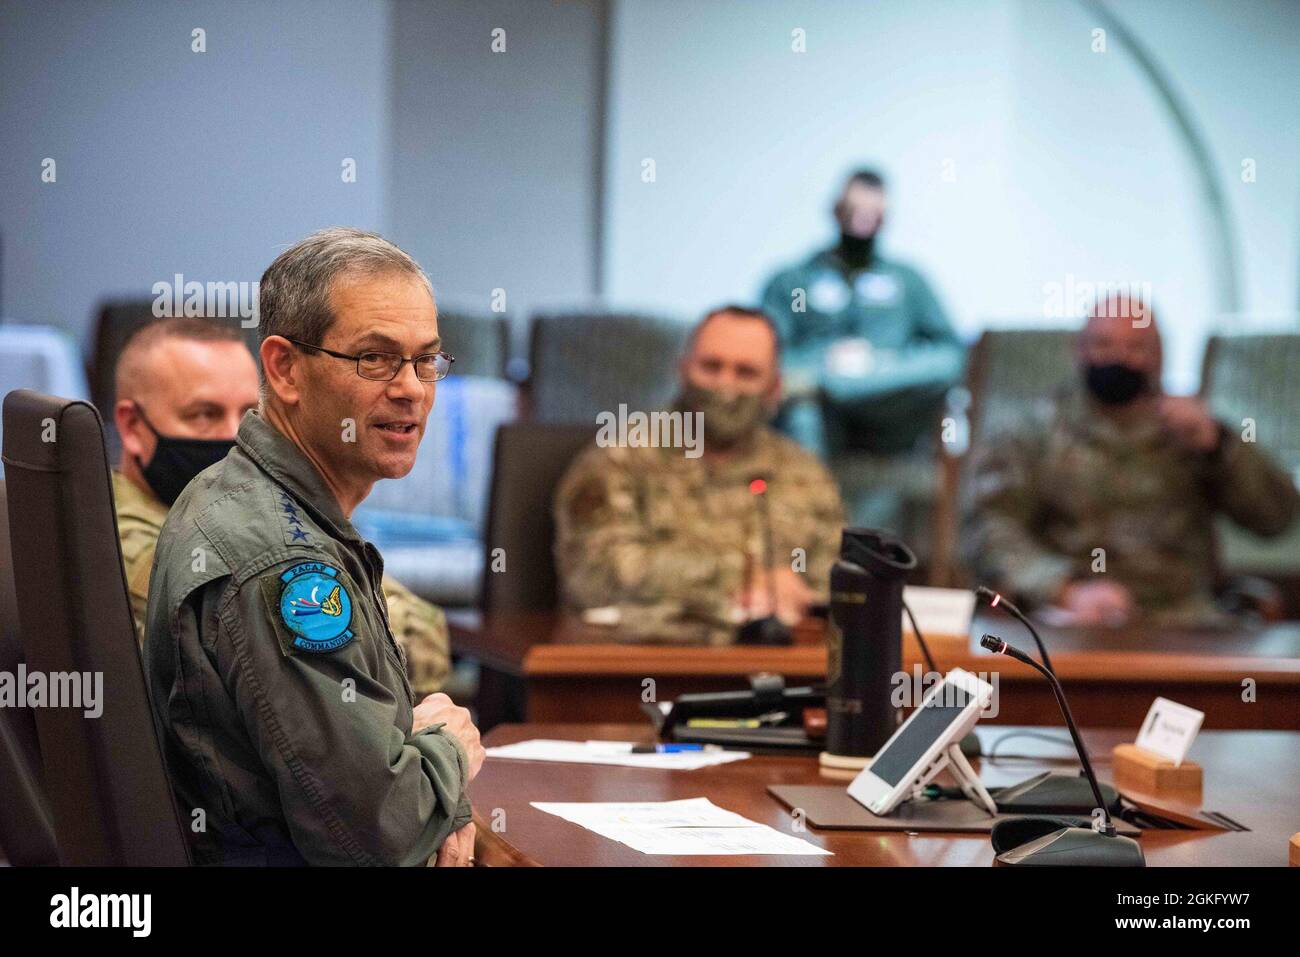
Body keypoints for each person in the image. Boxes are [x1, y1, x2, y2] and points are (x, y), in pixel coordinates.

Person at [144, 228, 482, 865]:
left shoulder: (257, 498)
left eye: (425, 360)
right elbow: (382, 836)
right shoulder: (280, 562)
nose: (411, 388)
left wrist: (423, 772)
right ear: (284, 368)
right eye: (375, 359)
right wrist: (451, 753)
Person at [112, 317, 451, 697]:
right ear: (132, 427)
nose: (233, 435)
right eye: (204, 415)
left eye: (246, 413)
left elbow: (426, 632)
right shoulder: (113, 537)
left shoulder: (258, 514)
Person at [962, 297, 1300, 626]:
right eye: (1103, 345)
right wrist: (1064, 589)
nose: (1119, 358)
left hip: (1185, 621)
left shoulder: (1193, 428)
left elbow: (1276, 518)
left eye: (1136, 348)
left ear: (1161, 356)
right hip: (1068, 619)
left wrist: (1219, 447)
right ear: (1078, 351)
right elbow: (990, 527)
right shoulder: (1033, 430)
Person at [553, 305, 845, 644]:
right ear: (682, 369)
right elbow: (598, 577)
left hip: (777, 676)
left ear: (774, 387)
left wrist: (795, 595)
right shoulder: (620, 458)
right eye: (711, 367)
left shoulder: (805, 474)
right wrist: (741, 577)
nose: (725, 386)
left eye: (746, 373)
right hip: (639, 669)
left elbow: (837, 589)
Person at [761, 169, 964, 461]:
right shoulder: (798, 286)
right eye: (854, 210)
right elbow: (774, 355)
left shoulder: (907, 282)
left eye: (874, 213)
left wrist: (875, 368)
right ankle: (809, 500)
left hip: (890, 408)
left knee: (947, 364)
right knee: (801, 408)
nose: (863, 221)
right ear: (835, 210)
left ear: (886, 217)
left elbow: (949, 355)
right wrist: (826, 362)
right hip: (821, 414)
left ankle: (831, 385)